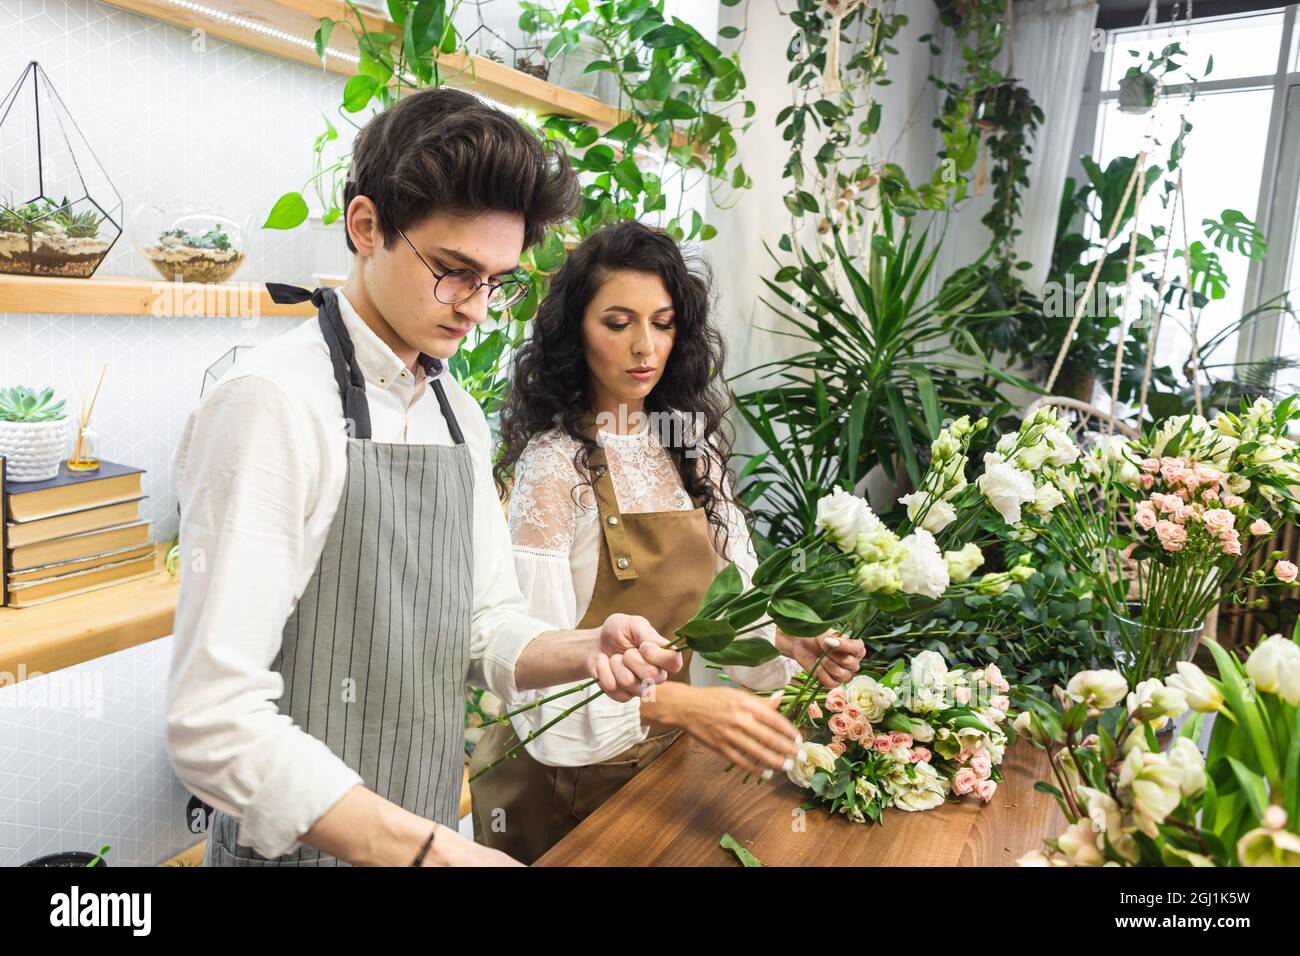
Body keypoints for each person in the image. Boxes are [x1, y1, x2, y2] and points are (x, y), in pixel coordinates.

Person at [165, 89, 682, 867]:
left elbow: (484, 625)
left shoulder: (454, 415)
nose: (474, 308)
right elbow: (212, 722)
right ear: (366, 226)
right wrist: (431, 852)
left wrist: (582, 648)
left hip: (430, 831)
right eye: (453, 272)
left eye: (496, 282)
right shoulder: (270, 405)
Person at [468, 221, 864, 863]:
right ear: (576, 333)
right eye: (617, 322)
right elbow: (540, 685)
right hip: (560, 782)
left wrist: (791, 640)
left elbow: (729, 608)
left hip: (655, 762)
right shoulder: (556, 465)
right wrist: (681, 705)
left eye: (663, 322)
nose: (643, 347)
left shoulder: (691, 451)